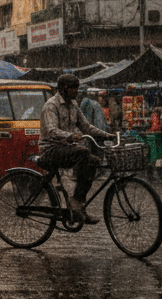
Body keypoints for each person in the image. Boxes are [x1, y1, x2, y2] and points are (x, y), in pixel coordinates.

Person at [39, 74, 114, 224]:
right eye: (72, 88)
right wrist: (70, 136)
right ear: (62, 89)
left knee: (93, 160)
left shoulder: (73, 105)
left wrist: (107, 135)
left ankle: (78, 202)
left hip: (67, 149)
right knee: (84, 152)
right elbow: (51, 131)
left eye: (76, 88)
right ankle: (75, 203)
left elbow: (86, 127)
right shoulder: (51, 105)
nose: (75, 91)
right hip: (50, 150)